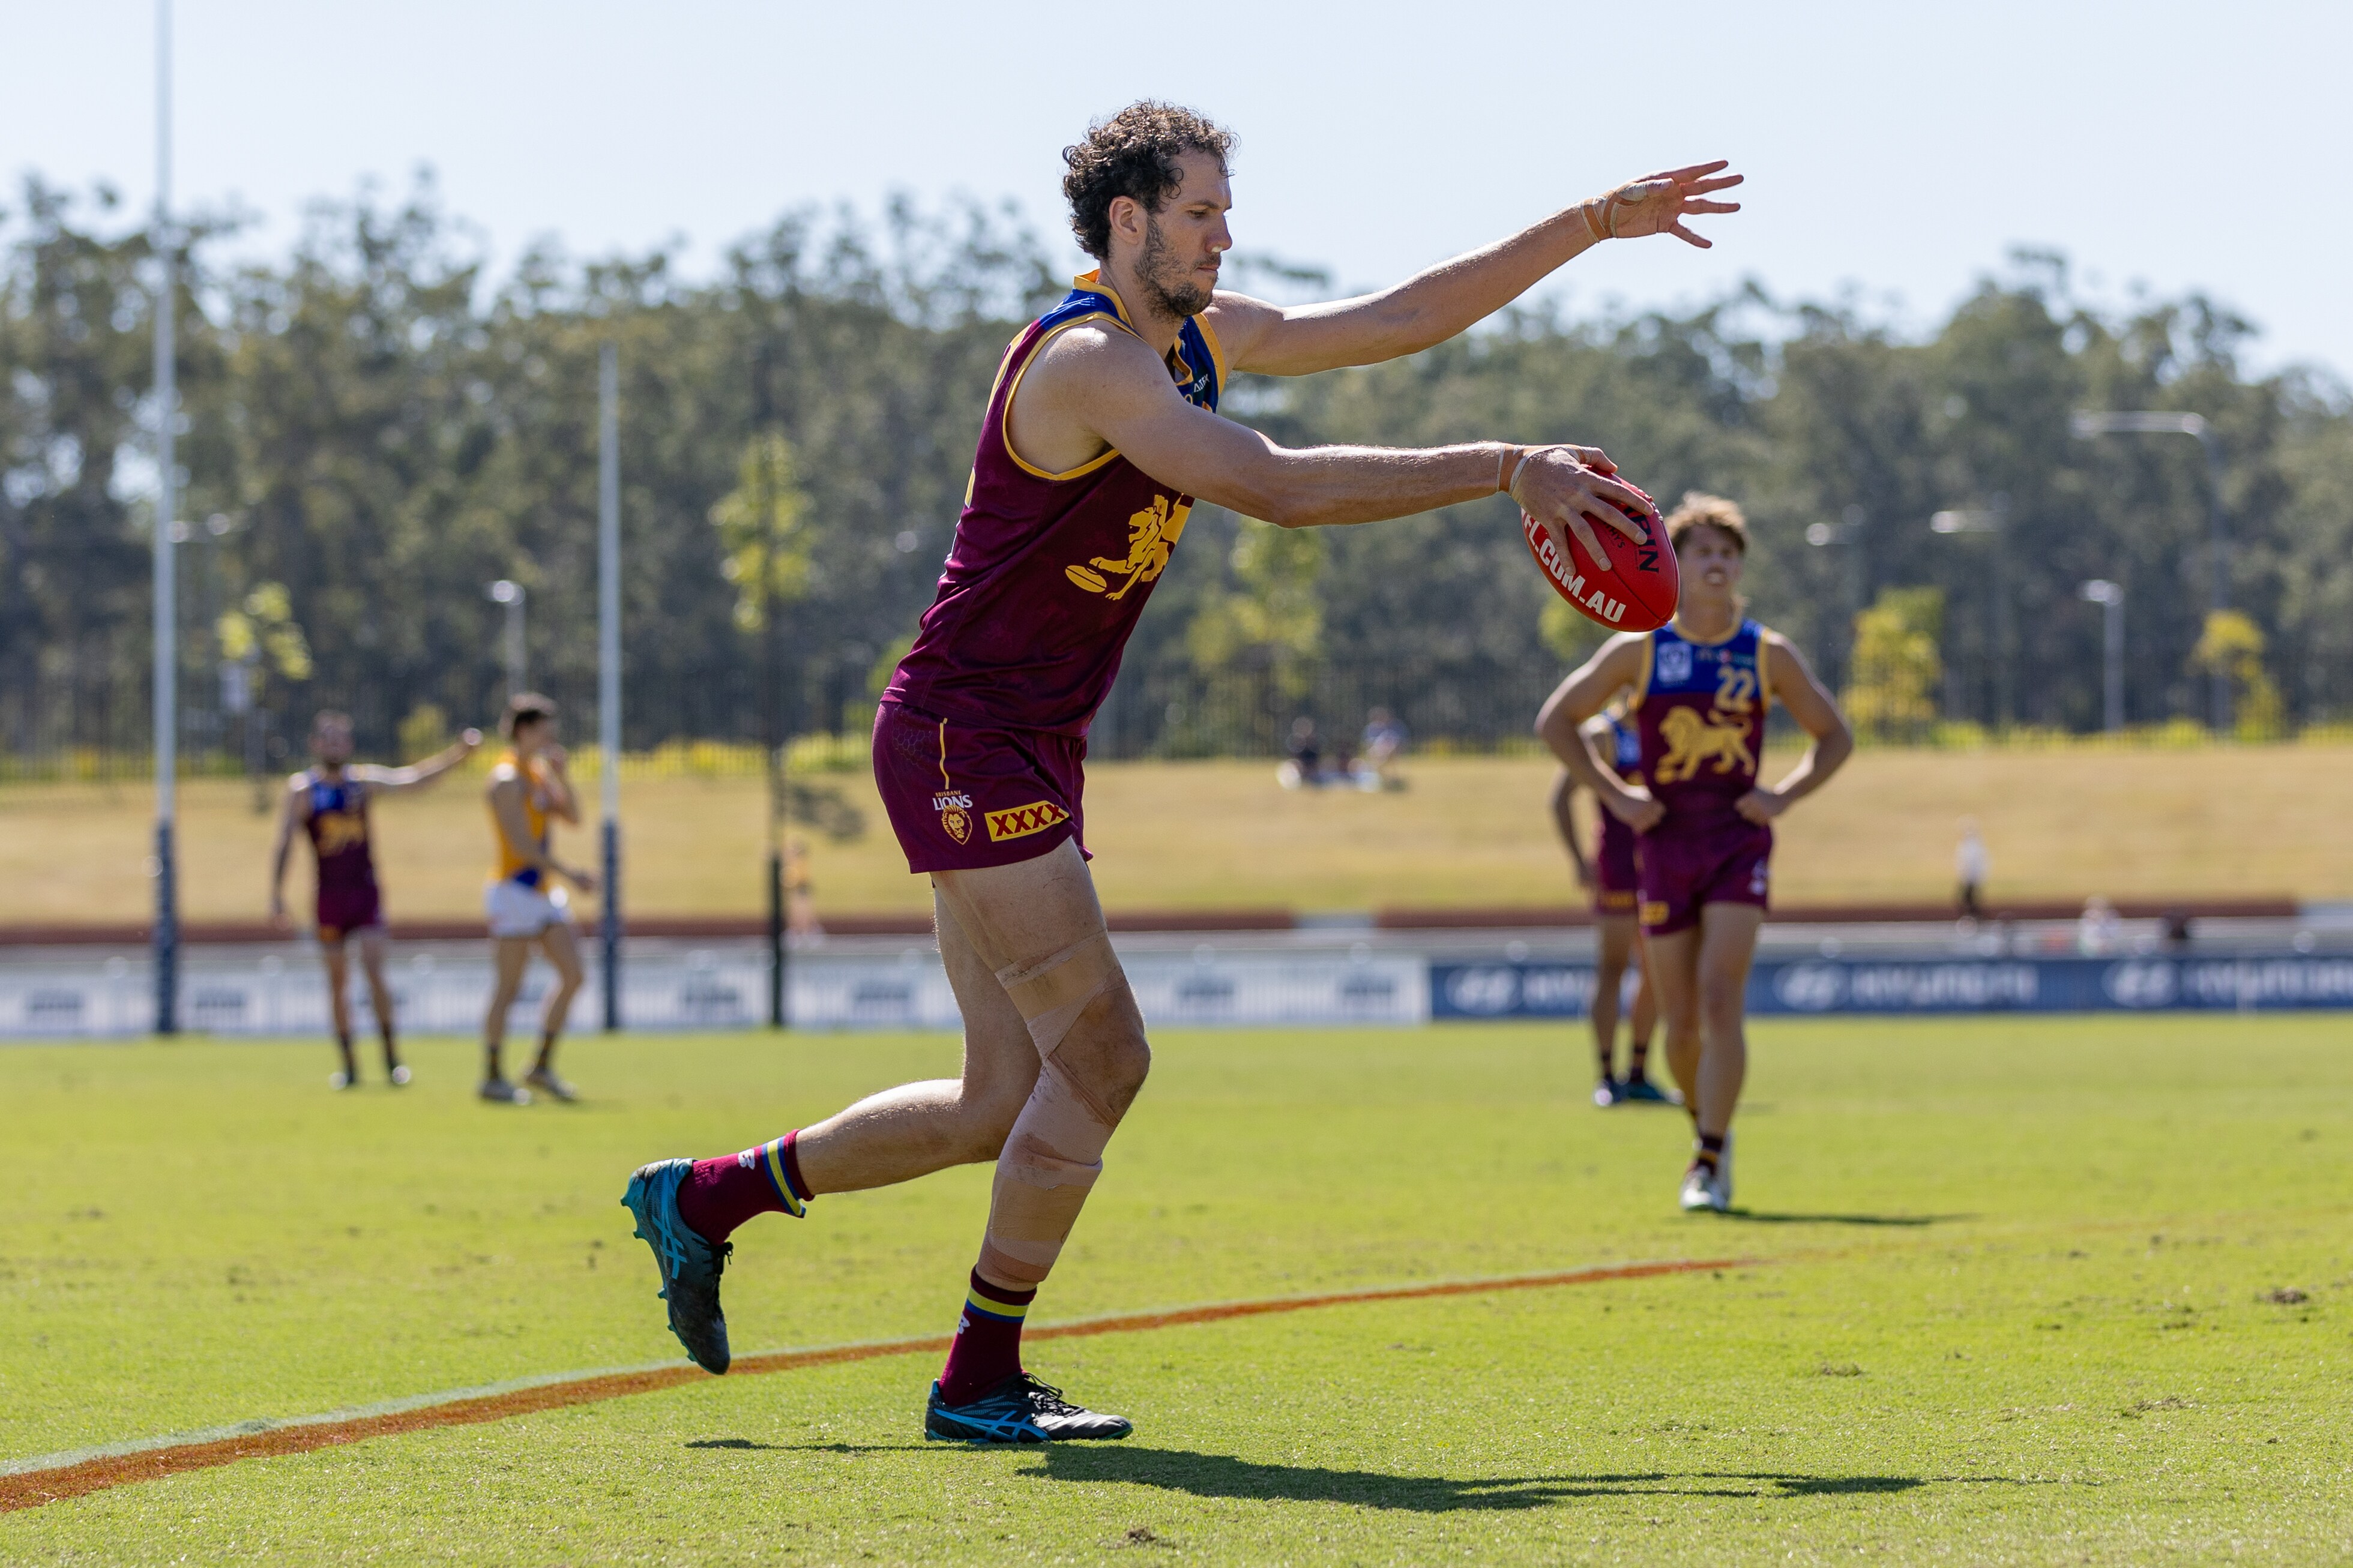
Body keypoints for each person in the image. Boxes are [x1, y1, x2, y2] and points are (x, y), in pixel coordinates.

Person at [621, 101, 1741, 1442]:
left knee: (996, 1099)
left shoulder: (1193, 339)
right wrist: (1505, 467)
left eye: (1224, 213)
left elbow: (1398, 320)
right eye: (1200, 213)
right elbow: (1275, 485)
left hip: (1015, 740)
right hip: (966, 739)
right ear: (1129, 220)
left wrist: (1593, 224)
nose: (1223, 237)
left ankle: (703, 1197)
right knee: (1105, 1054)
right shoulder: (1092, 360)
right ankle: (977, 1377)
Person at [1538, 494, 1850, 1212]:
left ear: (1740, 567)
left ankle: (1707, 1155)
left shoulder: (1765, 653)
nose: (1715, 563)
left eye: (1727, 553)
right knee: (1678, 1025)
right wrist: (1615, 795)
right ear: (1672, 564)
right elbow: (1556, 721)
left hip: (1736, 840)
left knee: (1718, 996)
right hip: (1663, 844)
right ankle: (1706, 1125)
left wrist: (1782, 796)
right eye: (1701, 551)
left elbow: (1834, 737)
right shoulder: (1640, 648)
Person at [268, 710, 481, 1089]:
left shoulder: (362, 782)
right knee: (337, 982)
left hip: (365, 894)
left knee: (374, 971)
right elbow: (285, 841)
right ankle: (349, 1066)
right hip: (329, 898)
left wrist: (458, 756)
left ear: (349, 744)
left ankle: (392, 1060)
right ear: (315, 744)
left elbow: (412, 780)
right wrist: (277, 896)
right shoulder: (303, 790)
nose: (334, 745)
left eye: (340, 738)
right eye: (328, 738)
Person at [480, 692, 598, 1105]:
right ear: (524, 730)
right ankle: (492, 1075)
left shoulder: (537, 774)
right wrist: (573, 873)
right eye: (545, 731)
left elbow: (574, 818)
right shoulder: (506, 780)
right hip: (513, 890)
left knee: (574, 974)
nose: (552, 738)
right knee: (509, 986)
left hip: (542, 892)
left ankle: (540, 1066)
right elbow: (522, 846)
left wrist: (563, 776)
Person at [1549, 707, 1667, 1108]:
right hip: (1617, 870)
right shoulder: (1604, 735)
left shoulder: (1667, 726)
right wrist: (1578, 861)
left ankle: (1638, 1073)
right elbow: (1560, 797)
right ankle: (1605, 1076)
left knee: (1658, 970)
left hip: (1663, 869)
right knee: (1613, 967)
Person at [1357, 706, 1407, 790]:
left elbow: (1400, 743)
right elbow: (1367, 744)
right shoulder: (1370, 729)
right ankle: (1386, 780)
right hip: (1376, 753)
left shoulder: (1393, 728)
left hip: (1389, 753)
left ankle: (1387, 779)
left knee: (1387, 755)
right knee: (1376, 759)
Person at [1956, 817, 1989, 923]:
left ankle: (1973, 917)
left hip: (1971, 877)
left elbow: (1970, 863)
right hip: (1972, 877)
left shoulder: (1972, 846)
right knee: (1968, 898)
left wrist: (1967, 876)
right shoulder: (1973, 845)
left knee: (1968, 898)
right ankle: (1973, 916)